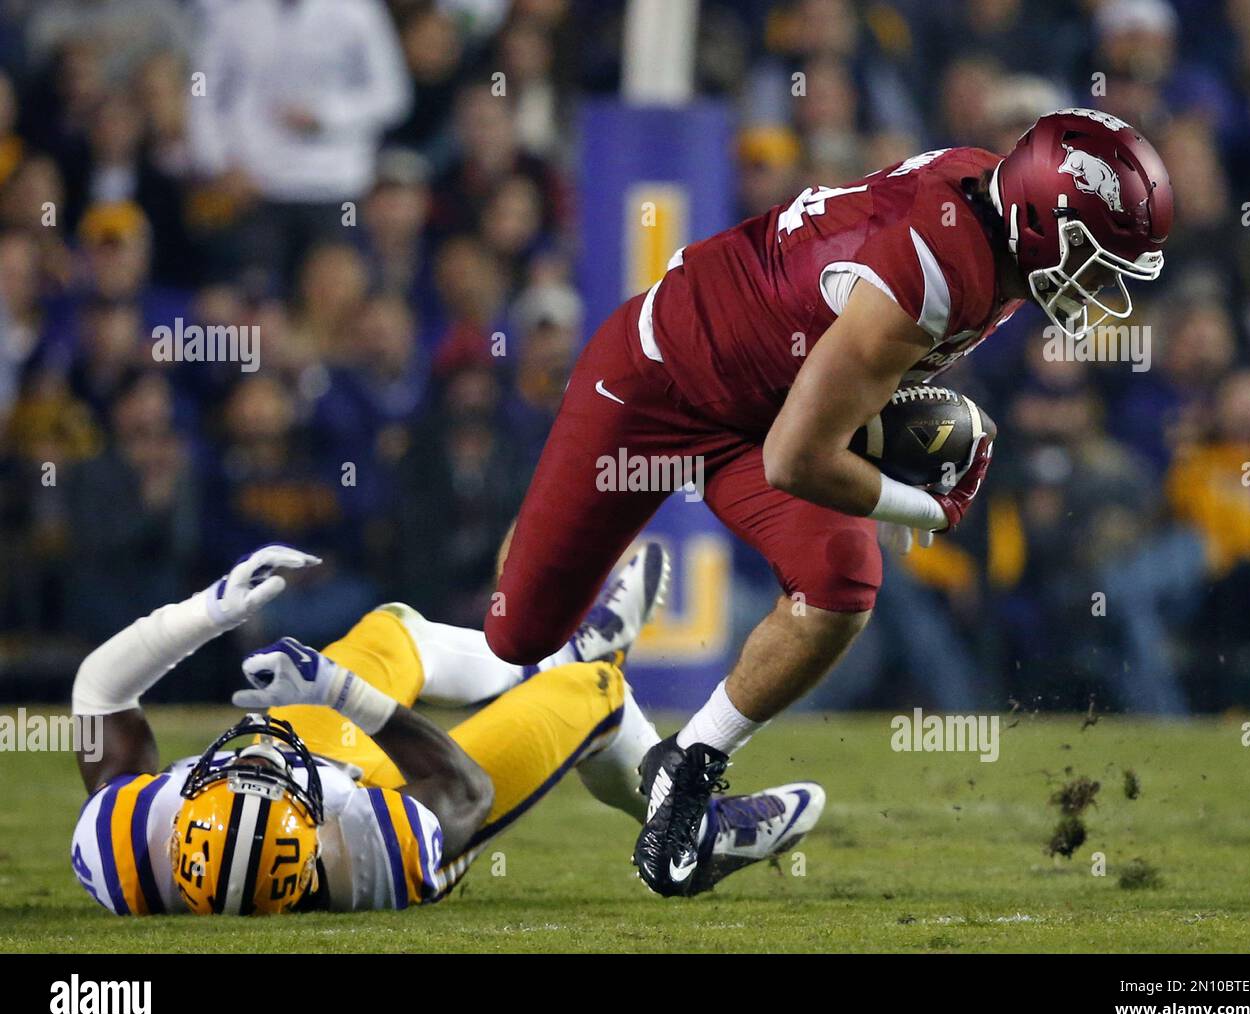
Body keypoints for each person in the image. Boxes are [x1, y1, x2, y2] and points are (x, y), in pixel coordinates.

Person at [483, 108, 1173, 895]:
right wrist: (932, 510)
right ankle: (583, 645)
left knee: (842, 582)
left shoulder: (989, 203)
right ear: (1044, 221)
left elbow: (831, 362)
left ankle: (691, 767)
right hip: (655, 381)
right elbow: (797, 460)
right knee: (517, 635)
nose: (1105, 283)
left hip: (767, 404)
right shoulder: (936, 272)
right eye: (1096, 254)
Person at [69, 543, 824, 915]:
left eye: (239, 769)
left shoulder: (125, 843)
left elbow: (99, 688)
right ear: (312, 833)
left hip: (321, 773)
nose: (255, 752)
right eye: (261, 773)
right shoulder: (362, 854)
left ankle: (555, 651)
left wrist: (209, 611)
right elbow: (460, 787)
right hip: (412, 796)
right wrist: (337, 690)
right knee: (597, 694)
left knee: (393, 629)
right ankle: (696, 831)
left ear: (182, 817)